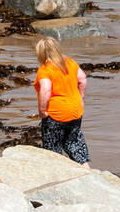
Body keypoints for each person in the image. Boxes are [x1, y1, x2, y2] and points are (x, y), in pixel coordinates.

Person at [34, 38, 90, 167]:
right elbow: (82, 79)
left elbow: (46, 89)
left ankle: (57, 172)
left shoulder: (45, 69)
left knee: (53, 147)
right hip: (75, 109)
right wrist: (80, 98)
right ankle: (86, 169)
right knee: (75, 142)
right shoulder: (70, 62)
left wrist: (42, 111)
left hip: (56, 113)